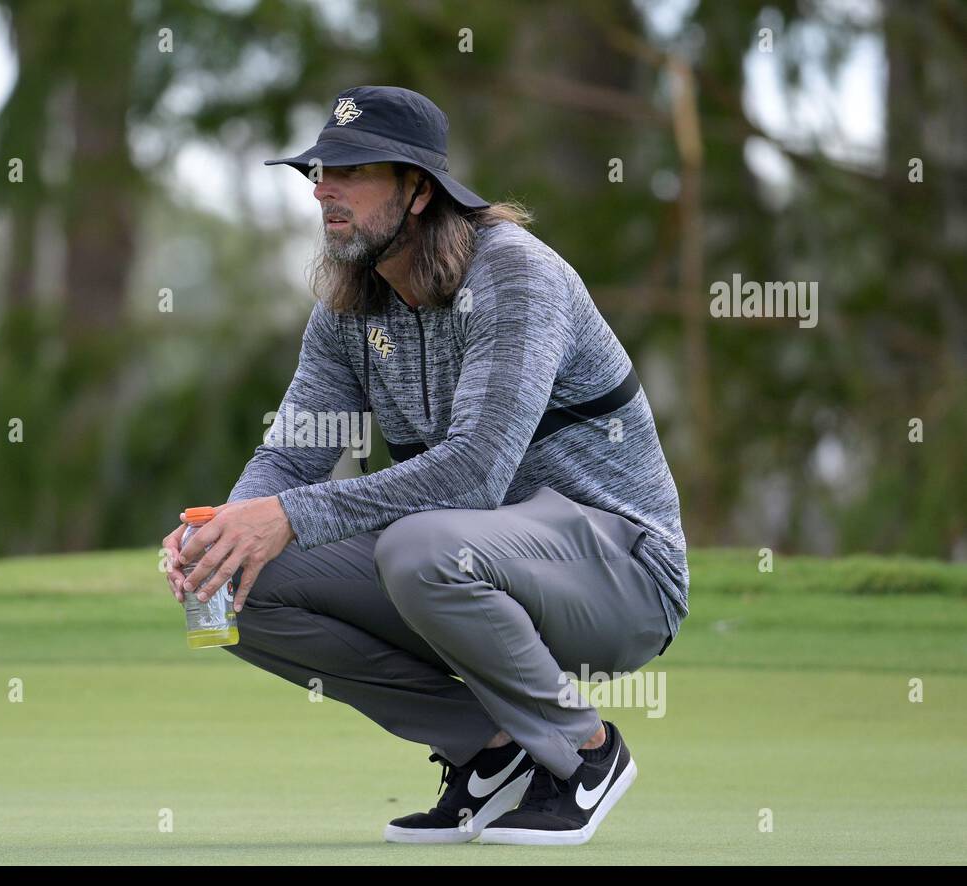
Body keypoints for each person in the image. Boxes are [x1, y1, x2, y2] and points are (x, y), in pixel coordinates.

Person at [163, 85, 688, 845]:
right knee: (243, 581)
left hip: (624, 573)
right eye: (316, 171)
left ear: (418, 191)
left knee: (420, 546)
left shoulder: (514, 276)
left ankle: (583, 753)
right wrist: (225, 533)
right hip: (471, 565)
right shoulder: (350, 303)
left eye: (351, 170)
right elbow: (294, 452)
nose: (322, 188)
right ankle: (493, 749)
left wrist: (285, 517)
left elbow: (476, 471)